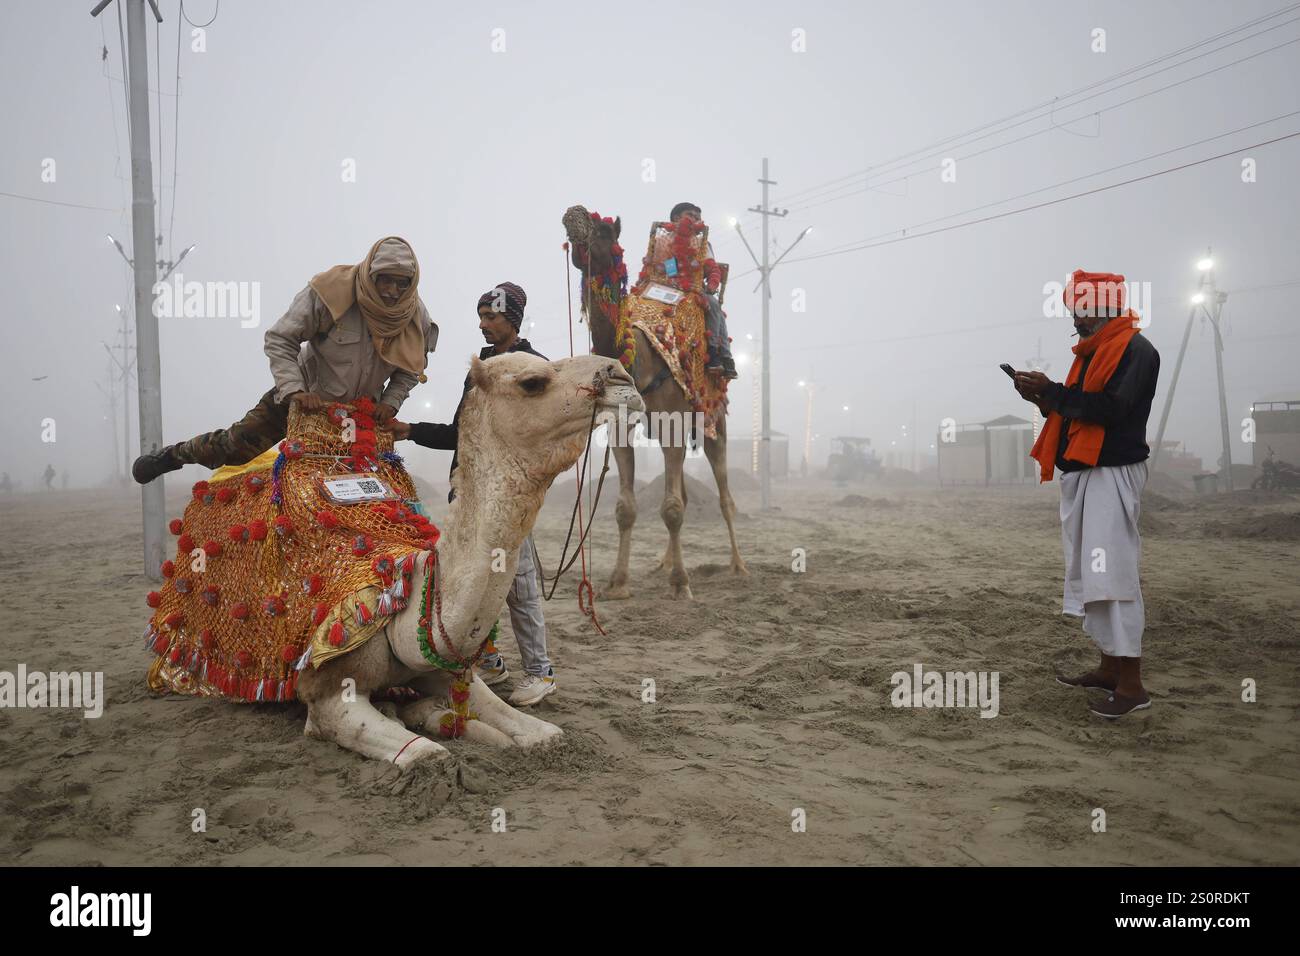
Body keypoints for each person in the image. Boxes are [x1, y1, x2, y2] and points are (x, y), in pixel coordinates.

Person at [131, 237, 437, 482]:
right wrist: (294, 391)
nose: (393, 291)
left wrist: (391, 402)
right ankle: (174, 456)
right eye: (385, 280)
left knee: (363, 486)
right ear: (371, 273)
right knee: (236, 447)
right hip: (304, 402)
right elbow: (280, 338)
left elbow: (413, 366)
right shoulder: (332, 293)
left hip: (360, 415)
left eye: (402, 283)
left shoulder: (414, 315)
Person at [389, 282, 557, 707]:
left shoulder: (534, 369)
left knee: (516, 582)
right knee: (468, 579)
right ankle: (490, 659)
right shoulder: (478, 368)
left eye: (491, 317)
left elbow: (539, 434)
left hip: (508, 495)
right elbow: (460, 433)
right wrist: (409, 431)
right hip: (467, 492)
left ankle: (539, 672)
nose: (483, 325)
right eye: (480, 317)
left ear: (512, 319)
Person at [1014, 269, 1160, 719]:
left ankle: (1132, 685)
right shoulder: (1092, 352)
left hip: (1112, 473)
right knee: (1094, 574)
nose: (1075, 320)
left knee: (1114, 574)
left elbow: (1112, 411)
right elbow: (1076, 407)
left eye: (1079, 312)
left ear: (1102, 309)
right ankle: (1108, 669)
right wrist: (1042, 397)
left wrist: (1053, 393)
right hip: (1085, 474)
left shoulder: (1137, 350)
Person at [669, 202, 738, 379]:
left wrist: (712, 285)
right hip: (665, 287)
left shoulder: (702, 243)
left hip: (696, 290)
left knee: (714, 305)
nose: (695, 219)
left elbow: (712, 269)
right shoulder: (664, 238)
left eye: (697, 217)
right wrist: (673, 276)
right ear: (676, 218)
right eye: (690, 215)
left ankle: (716, 353)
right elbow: (662, 265)